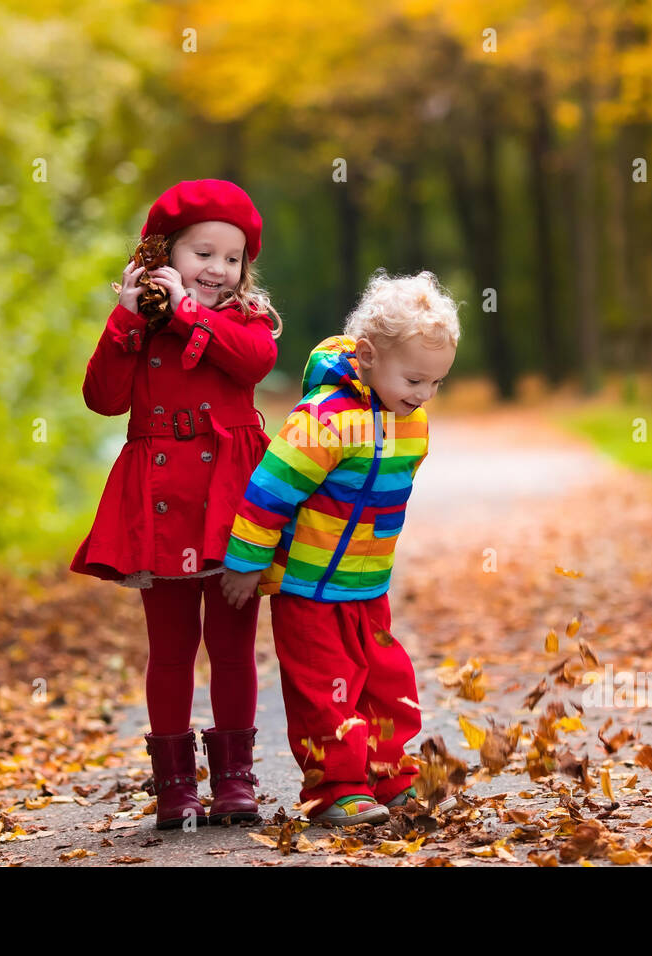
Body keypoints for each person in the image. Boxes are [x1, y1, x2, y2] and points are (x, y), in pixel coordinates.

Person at [71, 179, 282, 829]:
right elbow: (103, 398)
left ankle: (234, 778)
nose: (219, 269)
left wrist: (189, 314)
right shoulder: (137, 327)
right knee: (169, 648)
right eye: (203, 254)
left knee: (232, 644)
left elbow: (253, 364)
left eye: (232, 258)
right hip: (160, 500)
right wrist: (128, 318)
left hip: (229, 499)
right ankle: (173, 784)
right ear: (162, 255)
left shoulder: (242, 320)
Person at [221, 269, 460, 826]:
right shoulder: (323, 420)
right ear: (370, 356)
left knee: (386, 679)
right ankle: (337, 788)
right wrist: (245, 563)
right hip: (308, 588)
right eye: (414, 380)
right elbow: (269, 492)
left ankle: (388, 773)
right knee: (324, 689)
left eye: (435, 384)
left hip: (366, 584)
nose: (423, 396)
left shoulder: (412, 424)